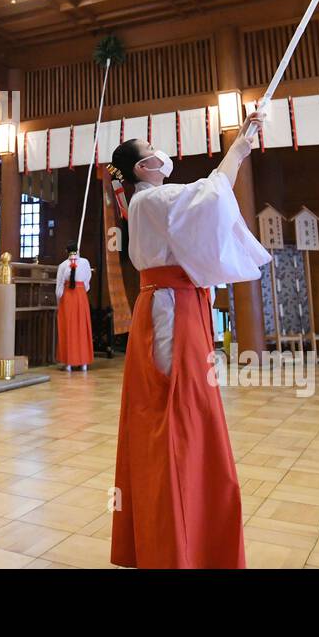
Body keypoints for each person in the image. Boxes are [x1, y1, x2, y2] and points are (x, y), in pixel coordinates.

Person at [107, 108, 269, 569]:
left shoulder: (151, 202)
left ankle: (187, 533)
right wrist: (239, 145)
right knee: (175, 414)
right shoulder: (146, 201)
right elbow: (210, 195)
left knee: (184, 413)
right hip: (169, 311)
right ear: (143, 167)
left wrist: (242, 143)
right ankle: (175, 541)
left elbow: (202, 209)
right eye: (151, 151)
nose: (162, 154)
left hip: (180, 305)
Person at [55, 242, 94, 371]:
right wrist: (81, 290)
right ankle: (83, 362)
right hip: (81, 295)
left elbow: (59, 287)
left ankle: (69, 363)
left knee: (68, 328)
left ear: (67, 252)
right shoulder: (85, 262)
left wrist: (59, 301)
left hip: (67, 298)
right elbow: (87, 282)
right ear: (77, 250)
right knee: (81, 327)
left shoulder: (62, 265)